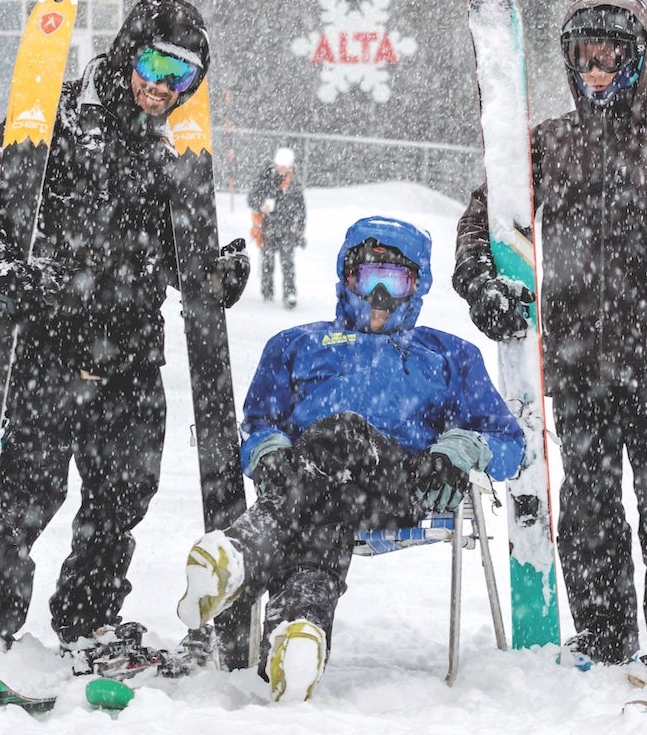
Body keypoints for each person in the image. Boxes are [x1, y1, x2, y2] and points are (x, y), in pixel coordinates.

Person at [452, 0, 647, 678]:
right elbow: (485, 217)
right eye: (584, 58)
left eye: (609, 57)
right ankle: (604, 631)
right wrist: (480, 278)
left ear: (638, 60)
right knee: (588, 507)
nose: (595, 72)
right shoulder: (549, 144)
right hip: (576, 363)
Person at [0, 0, 250, 667]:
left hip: (132, 354)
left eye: (183, 77)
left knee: (122, 496)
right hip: (52, 345)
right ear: (128, 50)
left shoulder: (168, 151)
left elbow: (171, 251)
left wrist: (210, 276)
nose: (164, 88)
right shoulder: (54, 118)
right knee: (27, 491)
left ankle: (88, 621)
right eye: (156, 65)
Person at [174, 216, 525, 702]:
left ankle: (241, 553)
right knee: (325, 500)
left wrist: (459, 450)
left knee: (342, 434)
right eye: (368, 279)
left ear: (416, 286)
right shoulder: (296, 345)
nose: (379, 297)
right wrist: (269, 451)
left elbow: (508, 441)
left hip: (400, 486)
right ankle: (297, 636)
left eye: (394, 282)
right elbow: (258, 423)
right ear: (347, 278)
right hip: (315, 490)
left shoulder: (447, 354)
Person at [248, 146, 306, 308]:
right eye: (280, 164)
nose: (282, 168)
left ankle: (290, 294)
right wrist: (261, 205)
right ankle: (267, 292)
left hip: (288, 230)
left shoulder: (294, 184)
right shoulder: (265, 179)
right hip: (268, 228)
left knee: (288, 263)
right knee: (267, 263)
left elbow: (301, 207)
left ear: (290, 166)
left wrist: (301, 227)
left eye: (286, 166)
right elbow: (252, 198)